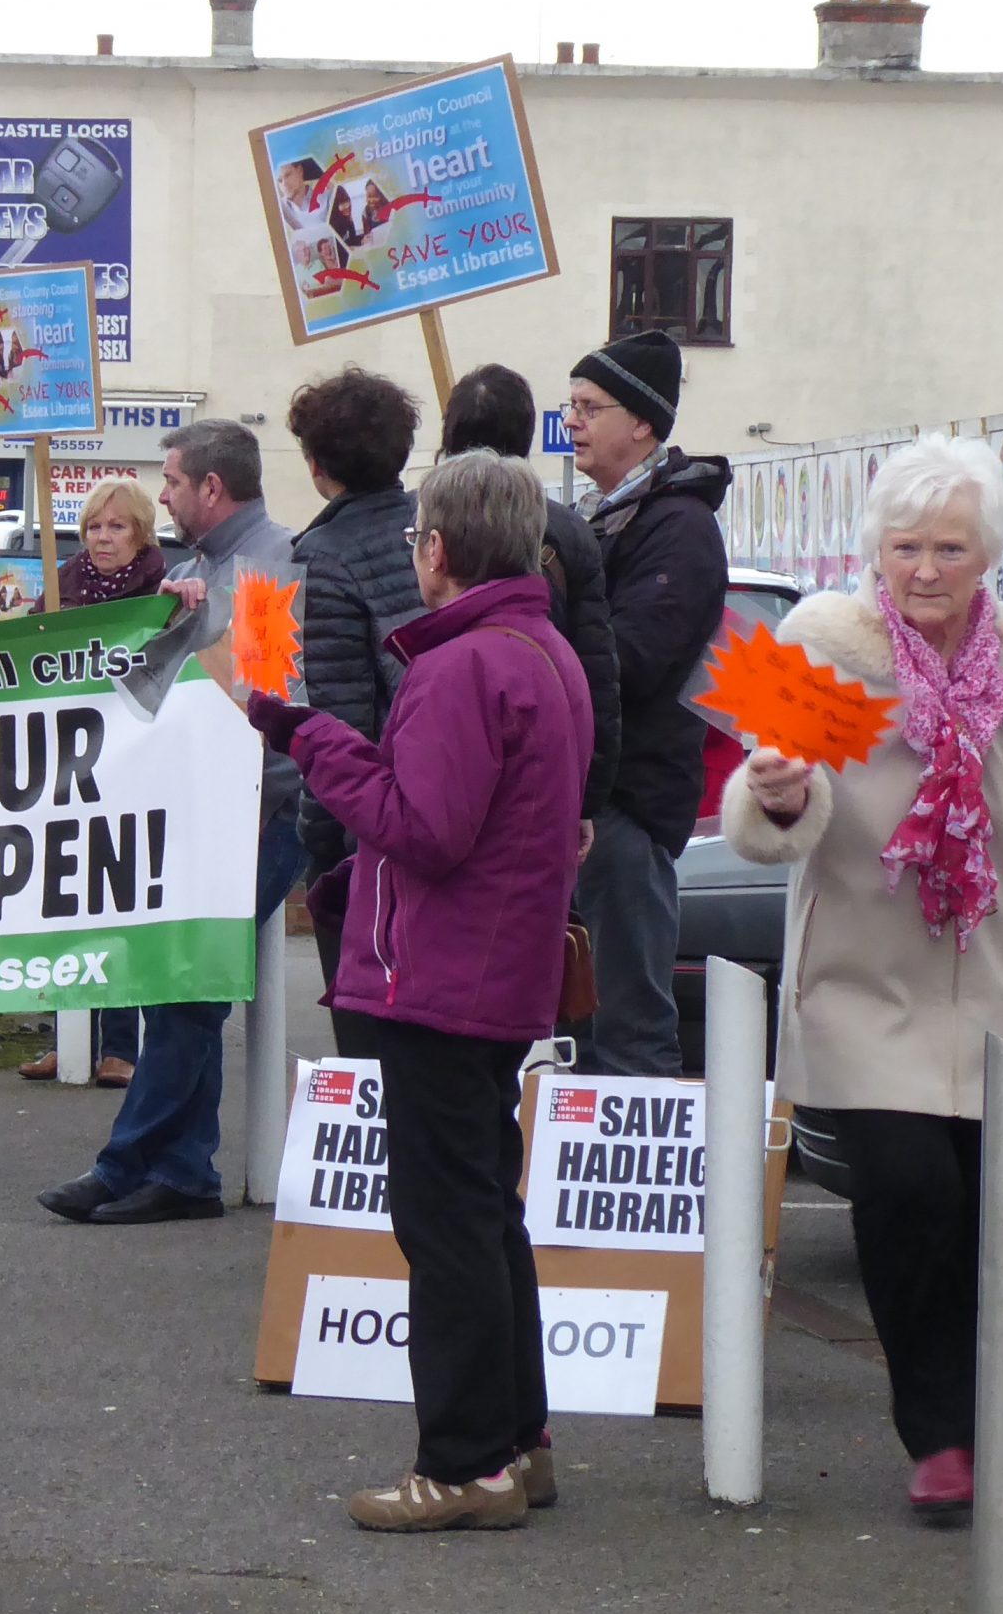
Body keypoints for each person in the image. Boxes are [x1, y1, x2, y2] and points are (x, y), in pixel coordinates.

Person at [722, 434, 1003, 1521]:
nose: (923, 568)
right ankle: (939, 1432)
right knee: (910, 1197)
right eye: (905, 545)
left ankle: (993, 1413)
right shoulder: (817, 642)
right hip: (871, 980)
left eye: (948, 547)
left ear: (986, 553)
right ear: (876, 547)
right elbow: (775, 826)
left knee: (1000, 1216)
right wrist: (773, 792)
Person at [249, 450, 588, 1533]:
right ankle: (515, 1439)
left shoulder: (462, 665)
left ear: (436, 550)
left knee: (446, 1225)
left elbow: (422, 827)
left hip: (441, 974)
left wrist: (318, 740)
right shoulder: (541, 647)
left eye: (415, 542)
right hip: (490, 967)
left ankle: (464, 1458)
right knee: (485, 1217)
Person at [38, 419, 307, 1225]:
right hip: (215, 804)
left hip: (263, 807)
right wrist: (159, 629)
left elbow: (269, 708)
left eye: (174, 480)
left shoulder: (271, 570)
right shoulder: (200, 570)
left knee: (190, 990)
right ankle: (182, 1173)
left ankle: (128, 1165)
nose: (165, 495)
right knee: (178, 984)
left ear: (211, 489)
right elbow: (161, 698)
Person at [565, 330, 730, 1077]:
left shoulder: (679, 528)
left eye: (590, 406)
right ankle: (584, 1184)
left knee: (629, 1027)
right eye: (571, 405)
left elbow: (631, 659)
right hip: (597, 796)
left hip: (628, 801)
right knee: (589, 1023)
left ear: (642, 423)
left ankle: (638, 1182)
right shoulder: (610, 516)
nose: (572, 421)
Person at [282, 366, 427, 1025]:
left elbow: (335, 725)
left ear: (316, 464)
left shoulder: (325, 556)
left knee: (373, 1046)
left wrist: (317, 843)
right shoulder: (438, 530)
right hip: (448, 805)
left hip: (368, 841)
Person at [16, 478, 167, 1088]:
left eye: (117, 527)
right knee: (63, 897)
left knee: (119, 897)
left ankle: (120, 1046)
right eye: (94, 528)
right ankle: (66, 1034)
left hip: (134, 764)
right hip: (67, 761)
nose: (103, 539)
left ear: (141, 533)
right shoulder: (62, 585)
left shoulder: (163, 587)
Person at [437, 363, 622, 846]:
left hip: (435, 771)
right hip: (539, 774)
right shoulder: (568, 530)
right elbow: (595, 672)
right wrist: (585, 798)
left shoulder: (419, 522)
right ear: (525, 436)